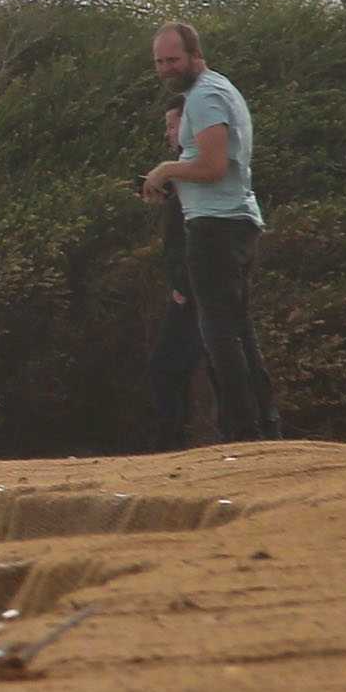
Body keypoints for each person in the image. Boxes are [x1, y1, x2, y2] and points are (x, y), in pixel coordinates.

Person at [140, 20, 281, 441]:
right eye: (160, 61)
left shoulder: (204, 96)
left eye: (173, 59)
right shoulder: (213, 90)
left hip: (217, 227)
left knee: (219, 332)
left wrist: (167, 168)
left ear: (194, 55)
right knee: (236, 327)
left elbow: (214, 165)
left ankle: (244, 432)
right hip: (229, 220)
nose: (166, 68)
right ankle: (263, 427)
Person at [145, 101, 205, 450]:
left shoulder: (192, 169)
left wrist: (184, 284)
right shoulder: (185, 171)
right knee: (179, 367)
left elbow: (196, 229)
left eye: (172, 126)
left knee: (166, 367)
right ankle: (176, 441)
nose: (168, 133)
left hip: (193, 285)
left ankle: (171, 444)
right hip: (190, 283)